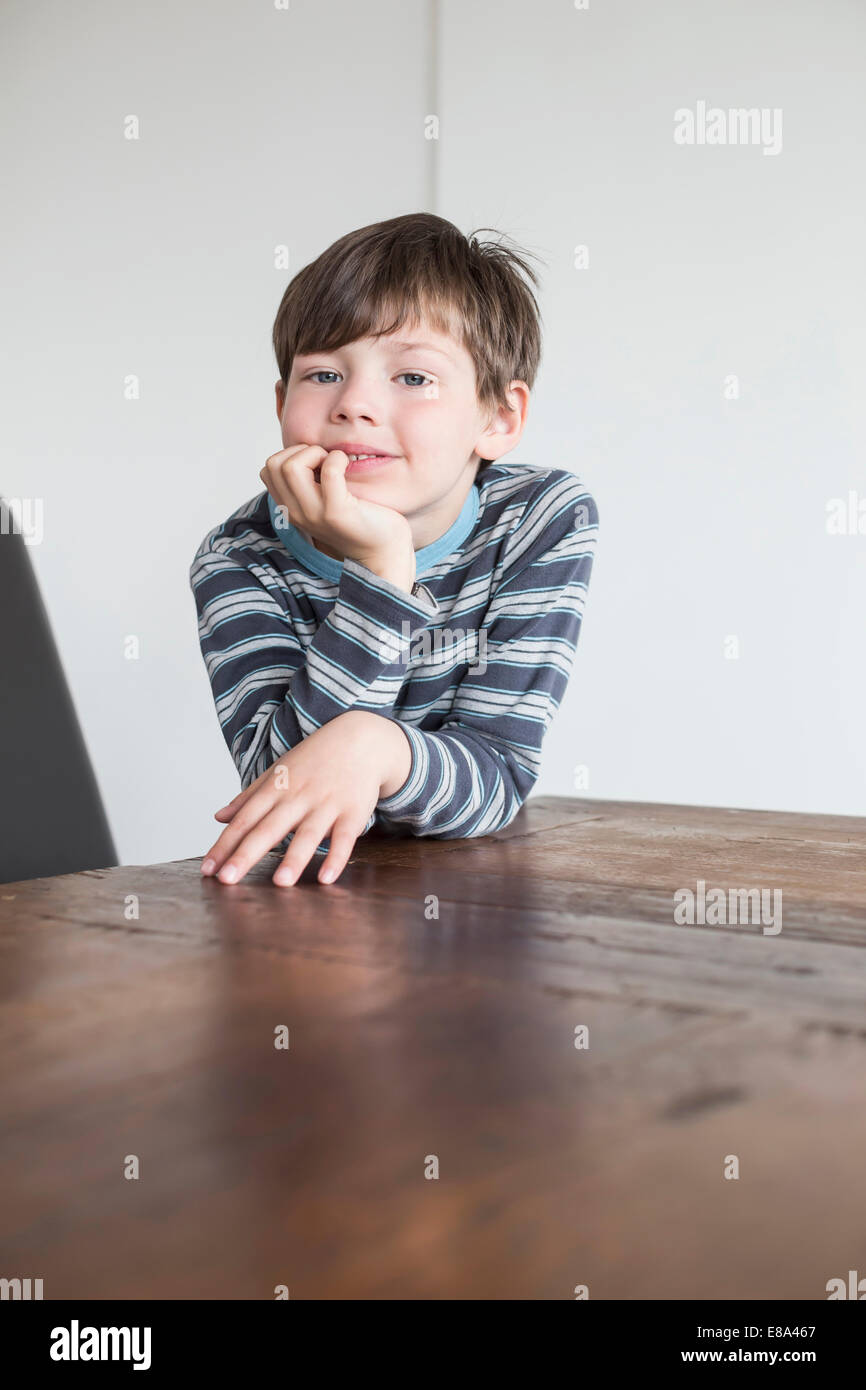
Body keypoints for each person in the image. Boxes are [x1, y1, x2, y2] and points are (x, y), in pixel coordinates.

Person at [189, 212, 599, 888]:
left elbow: (498, 775)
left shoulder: (539, 519)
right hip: (318, 903)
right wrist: (381, 572)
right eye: (322, 374)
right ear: (280, 402)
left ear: (499, 418)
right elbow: (283, 790)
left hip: (475, 901)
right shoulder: (241, 559)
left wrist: (374, 747)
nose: (354, 404)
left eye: (412, 378)